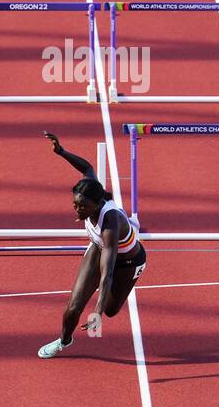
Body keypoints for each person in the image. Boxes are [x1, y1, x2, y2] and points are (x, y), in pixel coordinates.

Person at [37, 132, 148, 359]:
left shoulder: (110, 222)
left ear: (98, 204)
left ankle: (104, 305)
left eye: (83, 207)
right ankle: (63, 341)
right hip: (98, 249)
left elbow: (107, 273)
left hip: (128, 262)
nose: (78, 211)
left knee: (109, 310)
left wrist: (96, 311)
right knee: (73, 308)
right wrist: (62, 152)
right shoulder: (92, 191)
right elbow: (87, 167)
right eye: (75, 205)